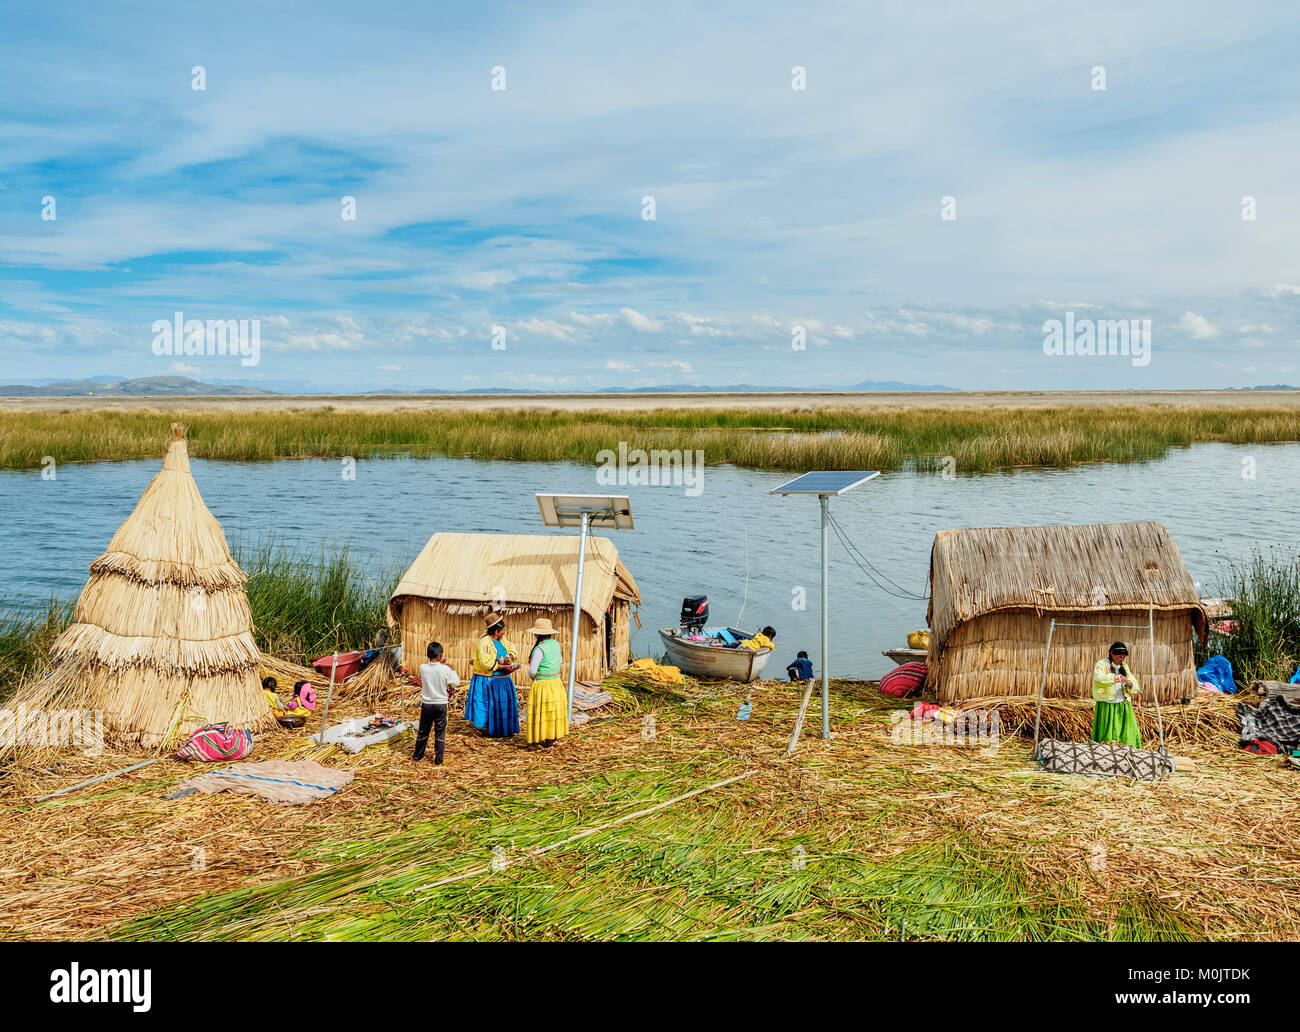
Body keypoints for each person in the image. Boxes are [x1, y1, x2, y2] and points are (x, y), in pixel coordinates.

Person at [464, 612, 521, 737]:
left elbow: (512, 648)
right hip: (488, 679)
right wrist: (503, 667)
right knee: (488, 704)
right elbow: (485, 663)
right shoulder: (484, 642)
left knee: (500, 706)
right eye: (502, 631)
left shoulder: (502, 640)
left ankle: (501, 727)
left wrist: (510, 658)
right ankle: (486, 728)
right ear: (496, 631)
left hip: (503, 680)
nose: (503, 634)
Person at [524, 617, 568, 748]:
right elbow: (559, 661)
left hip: (543, 685)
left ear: (537, 634)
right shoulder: (555, 644)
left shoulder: (539, 649)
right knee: (553, 711)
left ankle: (546, 741)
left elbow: (532, 670)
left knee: (544, 712)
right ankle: (553, 739)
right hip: (556, 683)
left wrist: (534, 677)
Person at [414, 641, 460, 764]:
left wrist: (441, 663)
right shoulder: (445, 669)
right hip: (440, 705)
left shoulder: (422, 668)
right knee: (440, 732)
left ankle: (418, 755)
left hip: (427, 704)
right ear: (440, 655)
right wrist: (452, 669)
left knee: (423, 730)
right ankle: (438, 759)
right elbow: (455, 682)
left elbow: (433, 667)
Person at [1092, 641, 1142, 747]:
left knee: (1125, 727)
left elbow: (1131, 678)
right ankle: (1106, 747)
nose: (1121, 659)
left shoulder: (1124, 666)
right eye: (1118, 657)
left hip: (1122, 702)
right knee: (1108, 727)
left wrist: (1130, 683)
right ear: (1111, 653)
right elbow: (1098, 678)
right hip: (1107, 702)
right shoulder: (1102, 664)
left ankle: (1126, 747)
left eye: (1123, 657)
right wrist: (1116, 678)